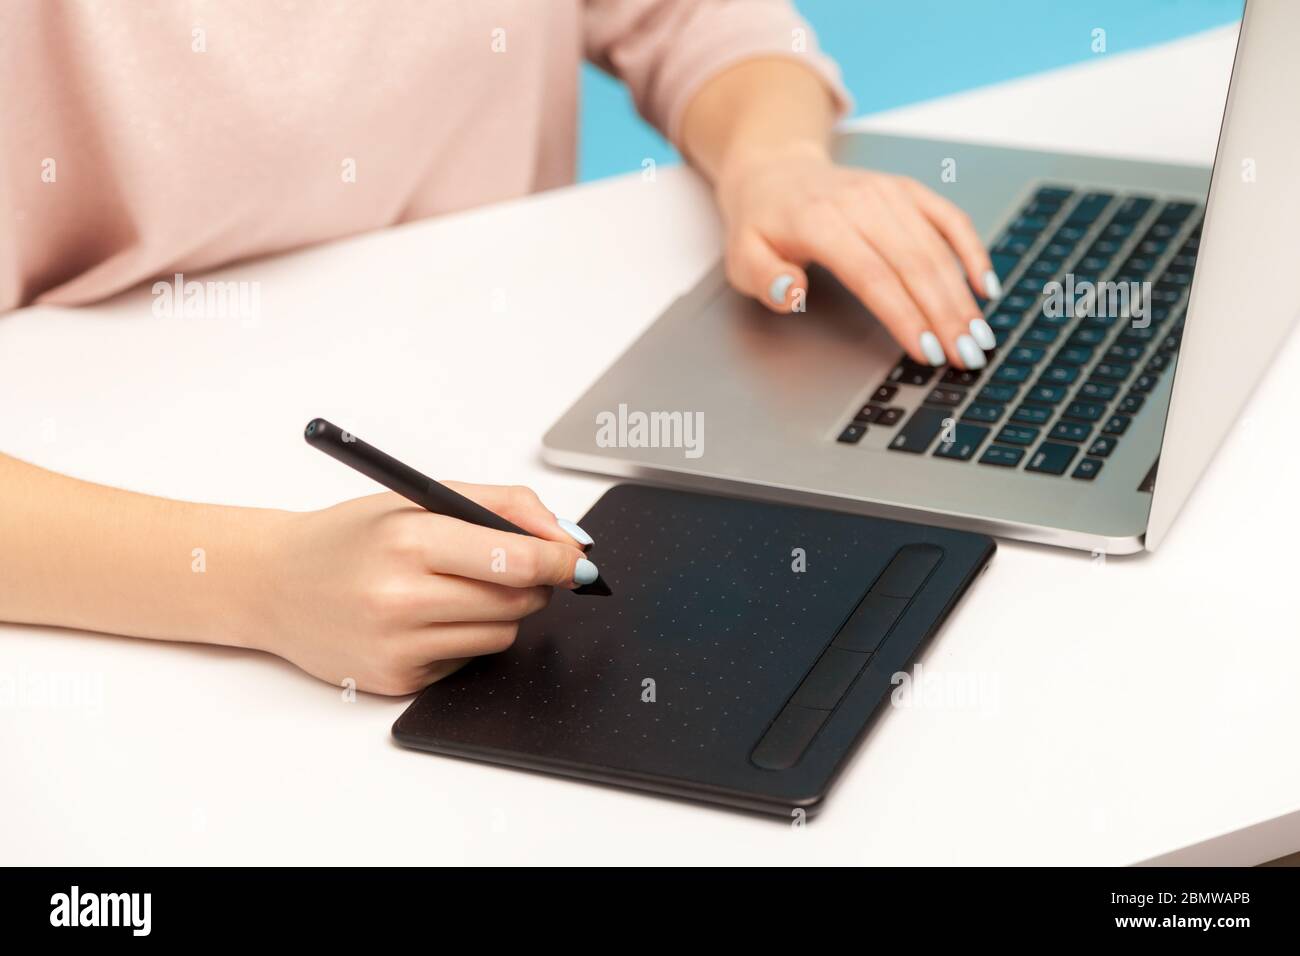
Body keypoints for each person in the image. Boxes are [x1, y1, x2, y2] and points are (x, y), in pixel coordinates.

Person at [0, 0, 995, 694]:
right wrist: (258, 583)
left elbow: (696, 15)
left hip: (527, 395)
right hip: (111, 518)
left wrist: (774, 161)